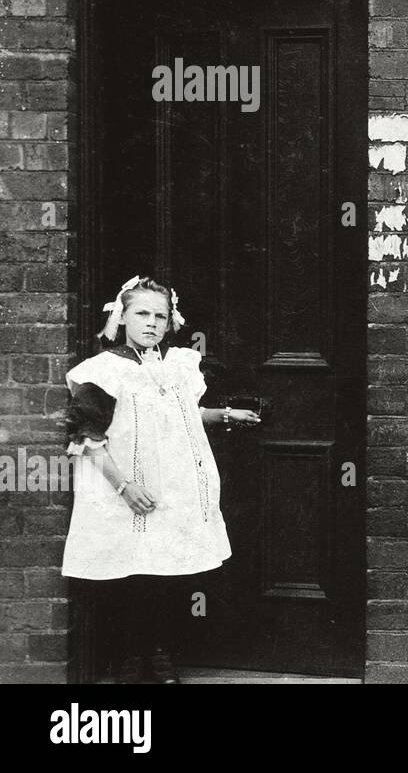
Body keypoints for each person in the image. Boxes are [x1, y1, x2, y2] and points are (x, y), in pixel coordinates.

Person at [63, 276, 261, 683]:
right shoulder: (104, 370)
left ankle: (162, 657)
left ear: (170, 321)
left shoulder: (178, 364)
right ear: (122, 316)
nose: (151, 323)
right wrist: (123, 486)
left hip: (172, 485)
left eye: (160, 315)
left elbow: (186, 413)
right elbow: (87, 437)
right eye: (141, 314)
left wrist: (224, 414)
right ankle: (131, 662)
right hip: (125, 489)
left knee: (167, 571)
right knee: (133, 574)